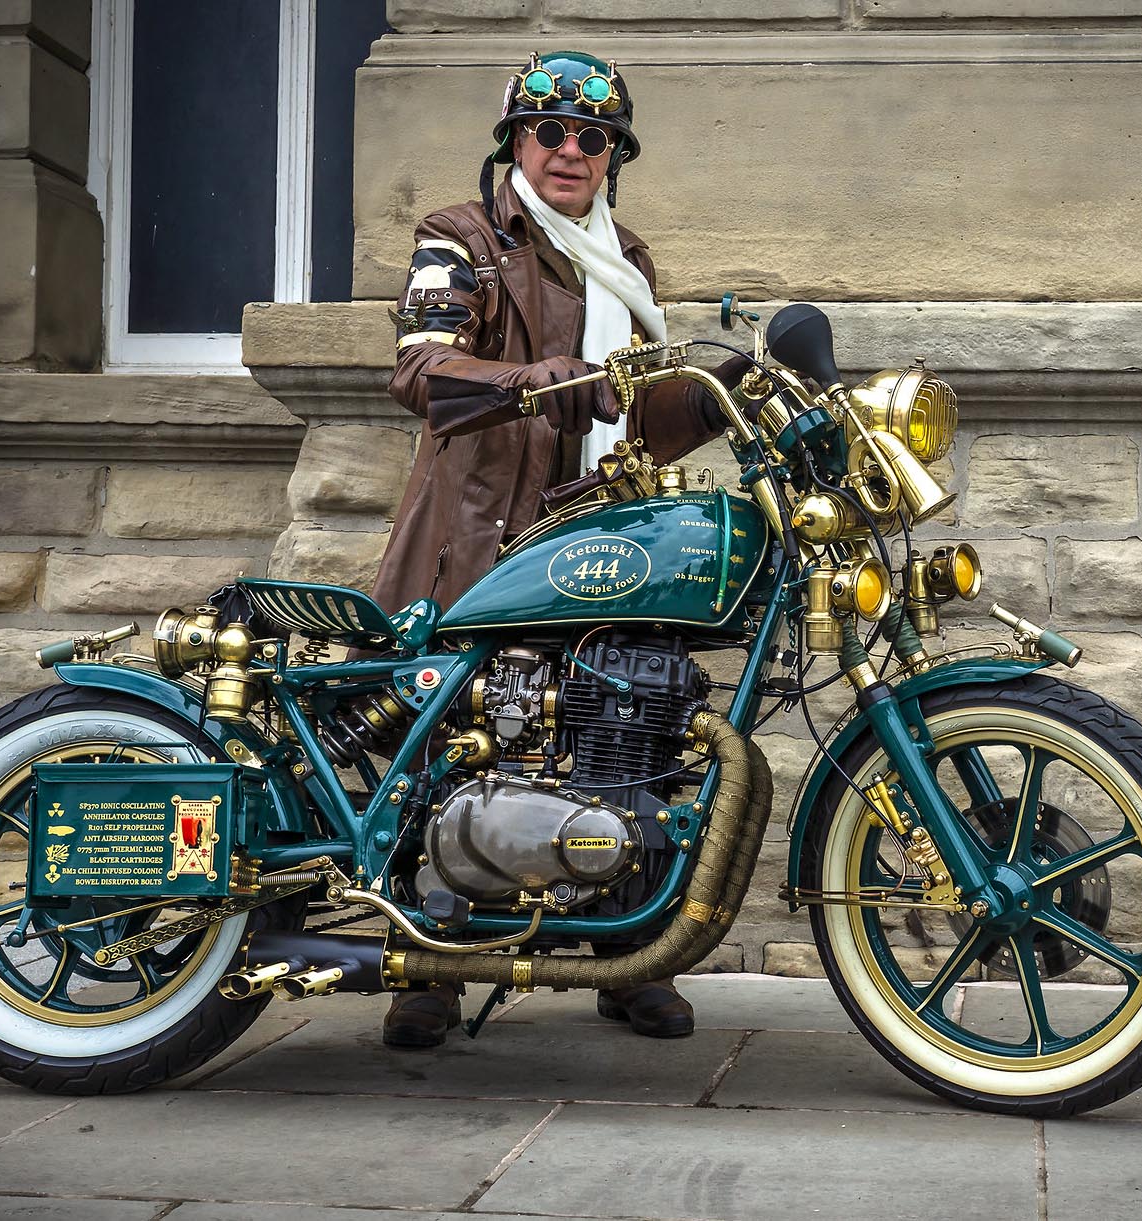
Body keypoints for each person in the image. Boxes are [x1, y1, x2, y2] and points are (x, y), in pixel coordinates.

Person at [369, 50, 747, 1049]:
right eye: (552, 131)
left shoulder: (628, 258)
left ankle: (632, 960)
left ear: (614, 157)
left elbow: (629, 421)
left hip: (602, 542)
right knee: (458, 752)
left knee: (635, 739)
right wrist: (533, 376)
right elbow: (421, 373)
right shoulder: (461, 239)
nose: (573, 150)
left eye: (596, 138)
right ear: (517, 143)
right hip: (484, 544)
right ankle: (431, 971)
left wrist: (722, 395)